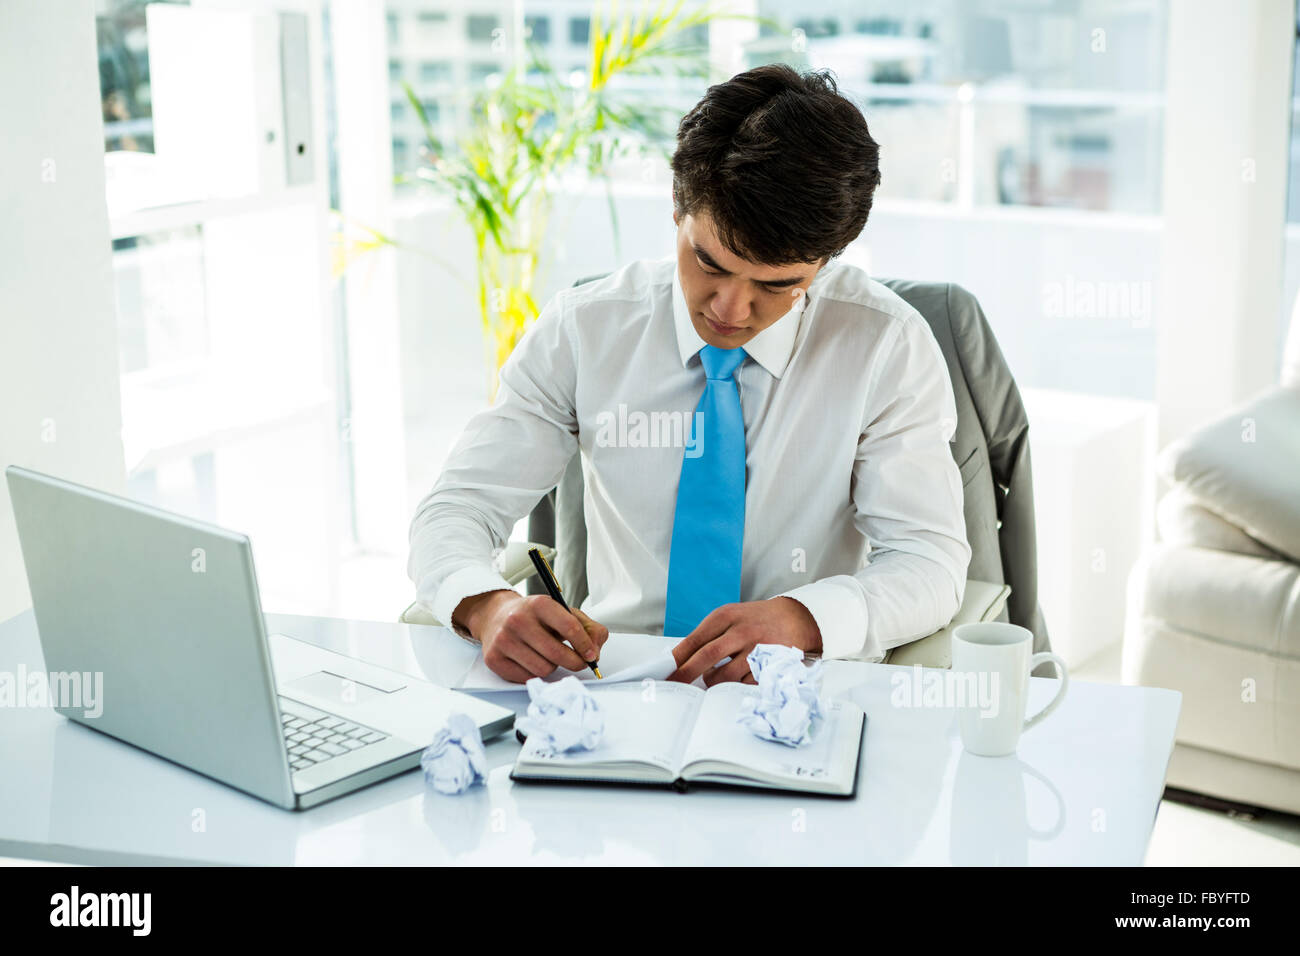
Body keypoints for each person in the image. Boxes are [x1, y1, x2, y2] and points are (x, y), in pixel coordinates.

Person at [408, 63, 971, 686]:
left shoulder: (886, 346)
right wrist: (486, 604)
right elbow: (458, 507)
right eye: (709, 262)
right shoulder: (585, 328)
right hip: (611, 684)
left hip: (796, 689)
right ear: (677, 206)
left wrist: (802, 619)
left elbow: (928, 560)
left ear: (827, 260)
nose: (730, 310)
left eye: (777, 285)